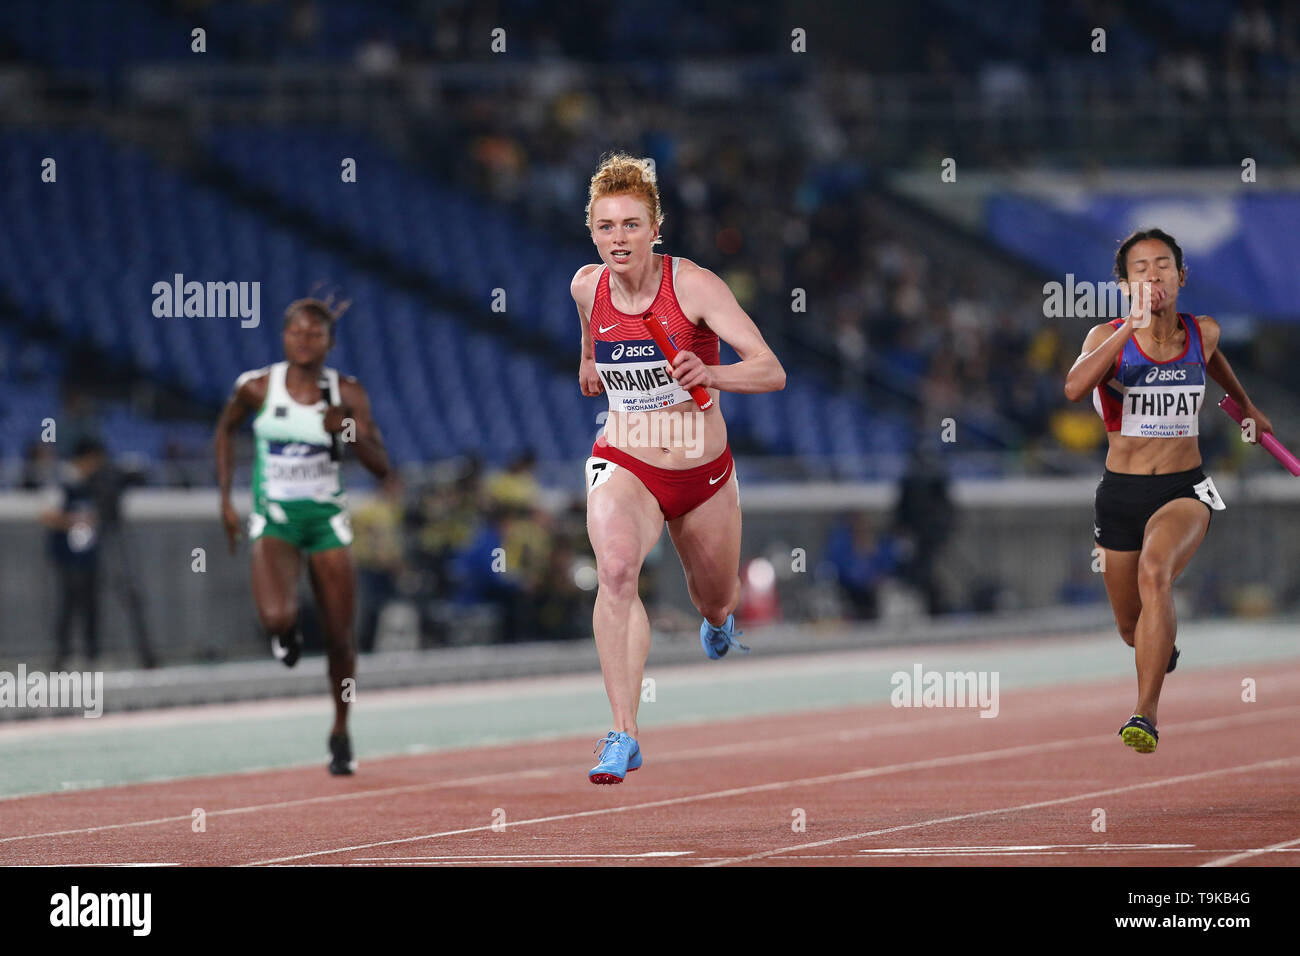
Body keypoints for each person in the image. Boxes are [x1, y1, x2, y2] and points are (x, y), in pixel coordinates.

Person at [572, 153, 786, 783]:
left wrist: (711, 372)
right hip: (625, 458)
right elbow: (591, 328)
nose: (619, 239)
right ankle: (623, 732)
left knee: (715, 596)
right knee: (614, 572)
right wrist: (589, 362)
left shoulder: (691, 284)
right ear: (592, 232)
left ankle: (718, 623)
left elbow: (772, 370)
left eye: (631, 225)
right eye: (607, 226)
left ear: (655, 229)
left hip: (701, 473)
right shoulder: (586, 285)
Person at [1064, 228, 1273, 753]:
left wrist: (1245, 406)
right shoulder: (1104, 339)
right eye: (1140, 267)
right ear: (1123, 283)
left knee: (1155, 574)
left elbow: (1212, 357)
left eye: (1163, 265)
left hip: (1185, 488)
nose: (1153, 275)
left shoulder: (1202, 332)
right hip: (1120, 495)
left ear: (1181, 278)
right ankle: (1159, 647)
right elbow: (1073, 388)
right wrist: (1127, 329)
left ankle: (1145, 714)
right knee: (1132, 628)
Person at [214, 297, 389, 774]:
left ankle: (340, 730)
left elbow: (381, 466)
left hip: (327, 520)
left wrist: (347, 430)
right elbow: (225, 431)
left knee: (338, 635)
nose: (304, 340)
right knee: (274, 616)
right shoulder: (256, 387)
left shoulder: (346, 391)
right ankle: (285, 632)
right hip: (275, 516)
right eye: (296, 332)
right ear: (284, 336)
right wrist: (226, 499)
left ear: (330, 342)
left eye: (315, 334)